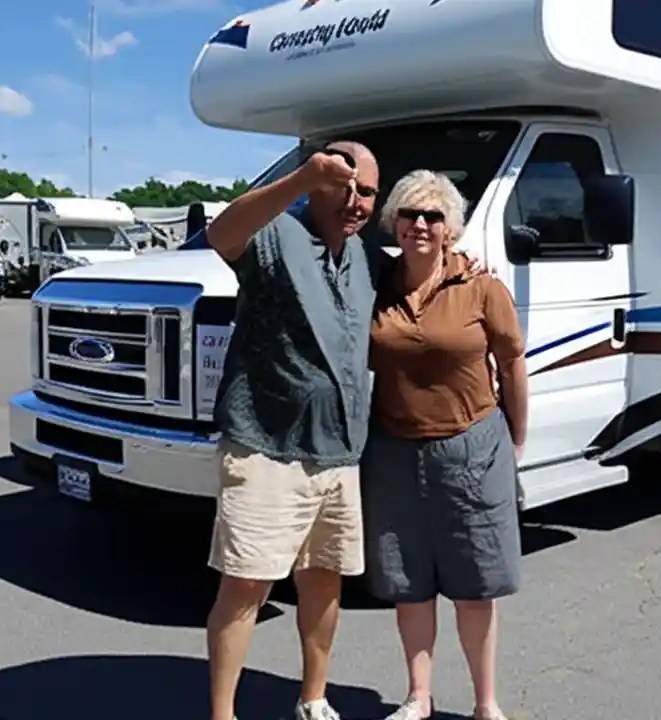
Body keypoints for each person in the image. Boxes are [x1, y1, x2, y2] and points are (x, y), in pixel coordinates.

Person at [201, 141, 384, 720]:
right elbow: (220, 234)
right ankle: (223, 714)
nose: (355, 203)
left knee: (325, 582)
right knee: (246, 586)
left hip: (338, 452)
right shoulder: (277, 233)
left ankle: (313, 698)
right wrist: (303, 178)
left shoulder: (367, 259)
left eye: (367, 193)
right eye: (342, 187)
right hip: (266, 447)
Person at [360, 170, 528, 720]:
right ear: (395, 223)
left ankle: (485, 704)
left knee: (475, 586)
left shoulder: (481, 286)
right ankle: (418, 697)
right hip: (394, 452)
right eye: (409, 214)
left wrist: (515, 436)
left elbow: (512, 363)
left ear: (450, 228)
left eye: (433, 216)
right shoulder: (376, 282)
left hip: (471, 448)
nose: (420, 225)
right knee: (408, 583)